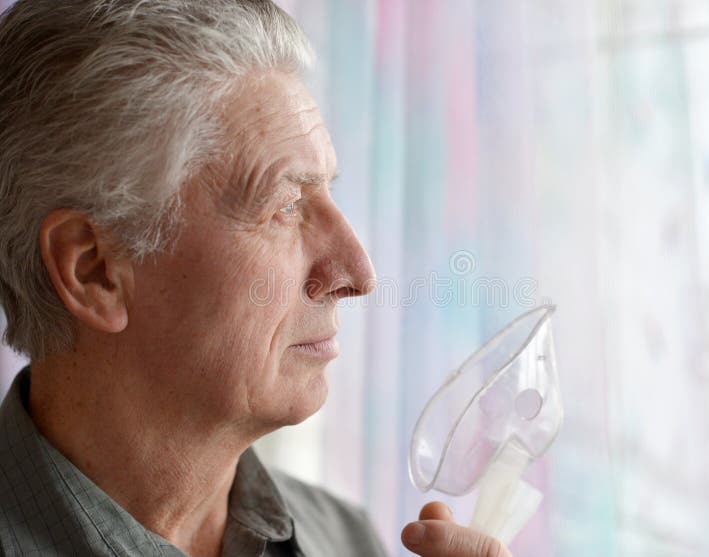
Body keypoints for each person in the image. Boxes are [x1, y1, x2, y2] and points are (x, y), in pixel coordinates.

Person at [0, 1, 512, 556]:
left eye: (326, 193)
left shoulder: (348, 538)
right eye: (286, 205)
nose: (358, 274)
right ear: (94, 271)